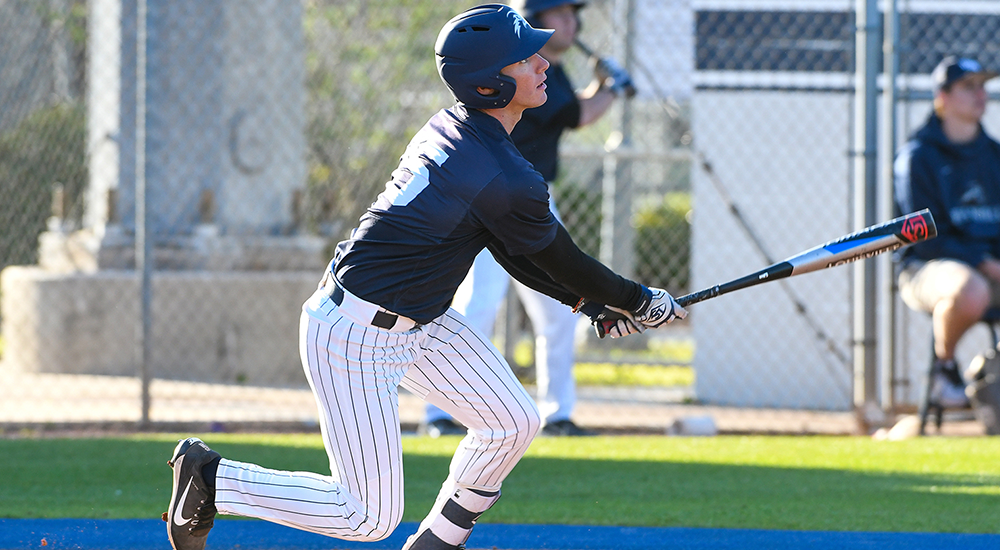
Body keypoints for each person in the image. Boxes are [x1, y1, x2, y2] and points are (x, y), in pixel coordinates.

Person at [163, 5, 684, 550]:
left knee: (512, 422)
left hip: (422, 321)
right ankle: (212, 480)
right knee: (366, 519)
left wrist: (594, 306)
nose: (541, 64)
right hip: (355, 337)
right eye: (524, 58)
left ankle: (438, 543)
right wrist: (638, 299)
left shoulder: (462, 131)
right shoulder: (498, 173)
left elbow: (517, 252)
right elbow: (565, 261)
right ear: (489, 85)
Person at [422, 0, 635, 438]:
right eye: (559, 15)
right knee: (477, 306)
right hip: (489, 200)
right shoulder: (515, 69)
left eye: (573, 15)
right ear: (534, 21)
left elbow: (568, 109)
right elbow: (576, 114)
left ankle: (558, 413)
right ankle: (440, 413)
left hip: (531, 200)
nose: (570, 23)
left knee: (558, 314)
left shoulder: (544, 70)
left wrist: (604, 86)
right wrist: (612, 88)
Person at [895, 55, 1000, 410]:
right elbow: (923, 236)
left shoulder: (994, 156)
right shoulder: (918, 157)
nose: (980, 94)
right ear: (942, 97)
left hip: (991, 269)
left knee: (978, 284)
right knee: (969, 289)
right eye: (968, 87)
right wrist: (985, 263)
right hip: (927, 267)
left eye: (983, 87)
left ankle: (990, 379)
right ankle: (946, 371)